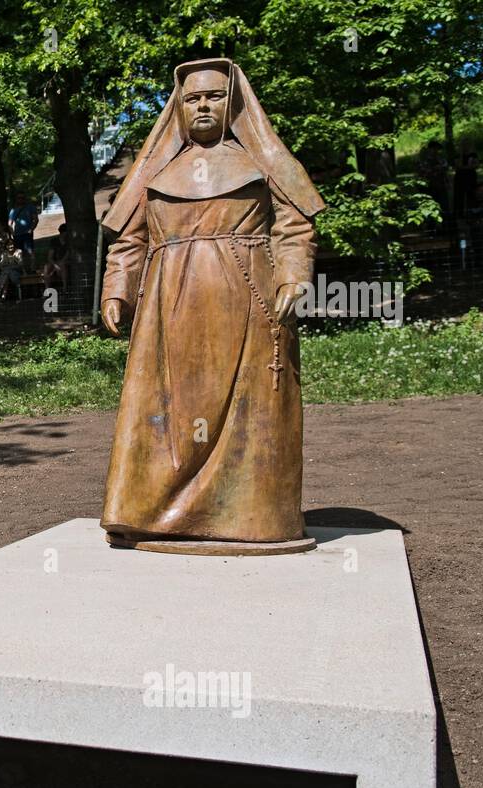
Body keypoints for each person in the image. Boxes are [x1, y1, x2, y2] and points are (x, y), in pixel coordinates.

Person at [99, 58, 324, 546]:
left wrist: (293, 279)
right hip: (167, 305)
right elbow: (128, 240)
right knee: (166, 417)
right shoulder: (158, 170)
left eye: (214, 96)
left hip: (247, 297)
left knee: (251, 411)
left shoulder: (263, 164)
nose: (202, 105)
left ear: (234, 103)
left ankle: (251, 516)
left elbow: (294, 226)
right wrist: (117, 286)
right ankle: (155, 514)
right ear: (178, 107)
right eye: (192, 98)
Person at [9, 191, 39, 259]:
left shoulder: (30, 207)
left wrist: (31, 229)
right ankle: (22, 269)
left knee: (30, 251)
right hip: (17, 235)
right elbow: (9, 224)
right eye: (19, 198)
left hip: (27, 233)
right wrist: (13, 234)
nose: (21, 199)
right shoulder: (13, 210)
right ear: (16, 199)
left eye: (23, 198)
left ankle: (32, 268)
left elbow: (36, 219)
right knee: (19, 253)